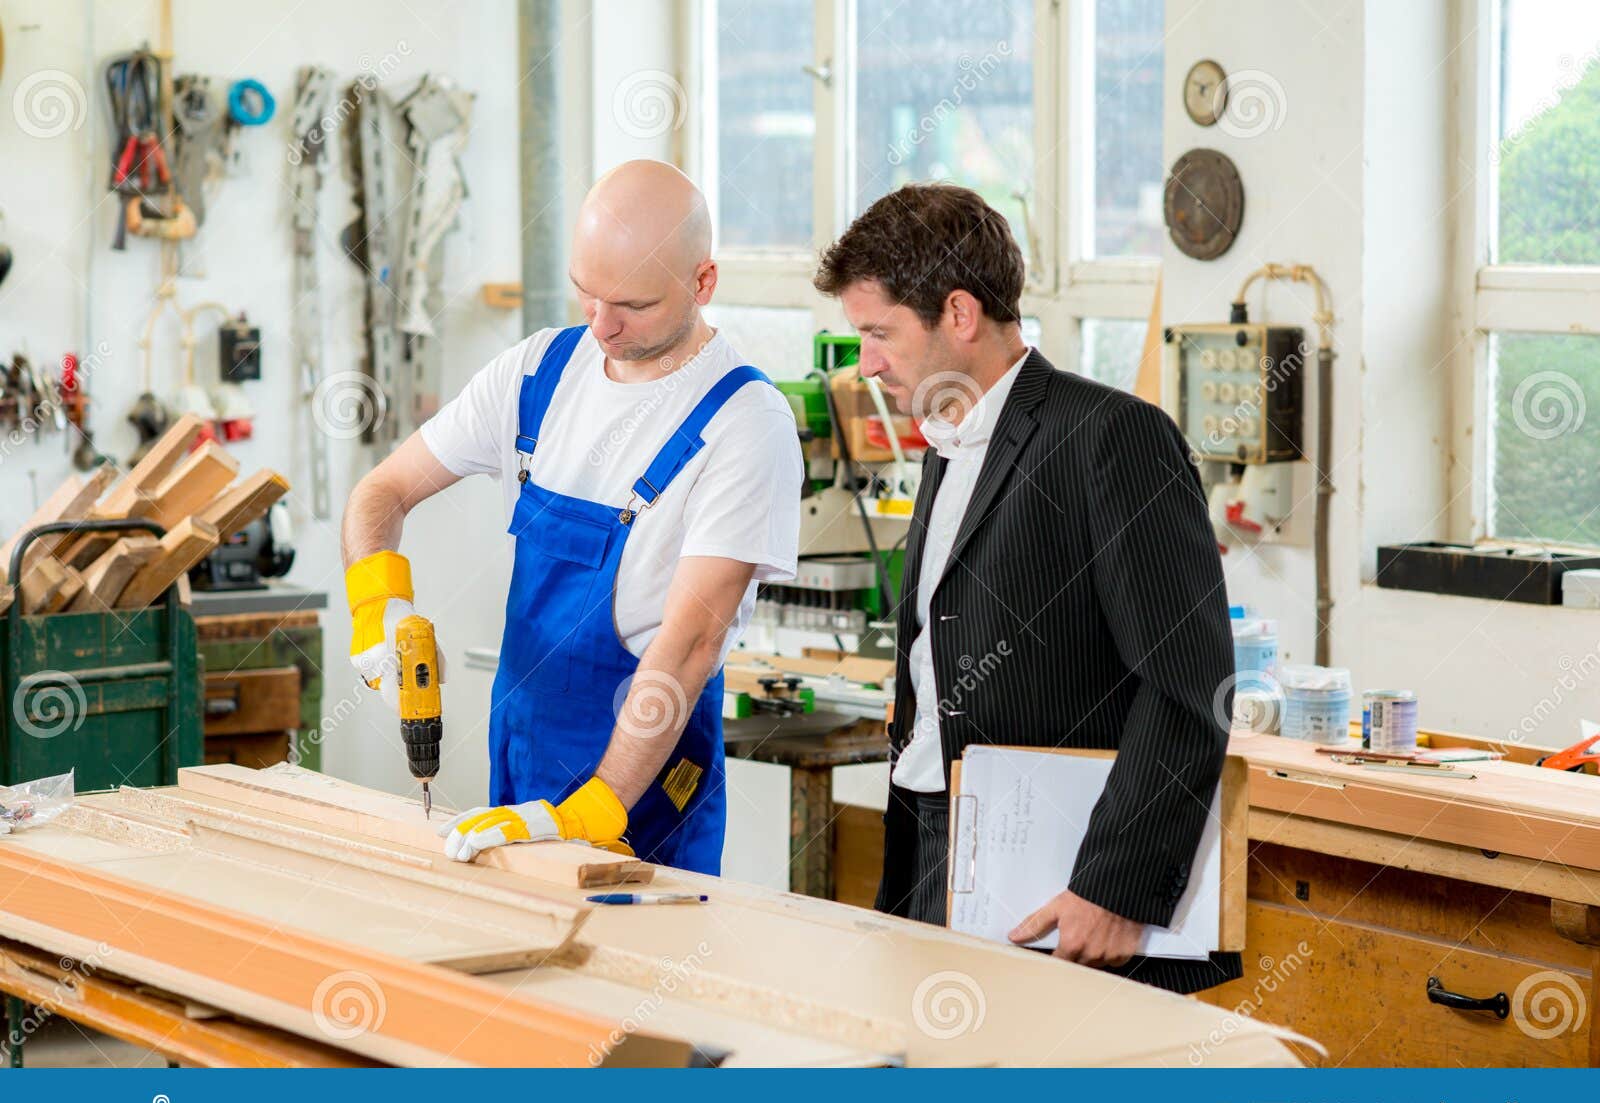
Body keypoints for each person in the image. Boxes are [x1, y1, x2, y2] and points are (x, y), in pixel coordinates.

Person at [813, 183, 1239, 993]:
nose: (865, 361)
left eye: (878, 333)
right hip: (935, 844)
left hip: (1068, 880)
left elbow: (1191, 684)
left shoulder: (1111, 437)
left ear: (960, 315)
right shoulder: (948, 439)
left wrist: (1112, 886)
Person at [341, 160, 803, 874]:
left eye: (633, 305)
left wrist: (597, 806)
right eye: (586, 293)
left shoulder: (745, 424)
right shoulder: (538, 371)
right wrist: (377, 601)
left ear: (702, 283)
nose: (602, 325)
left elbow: (688, 648)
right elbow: (382, 492)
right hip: (523, 751)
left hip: (641, 791)